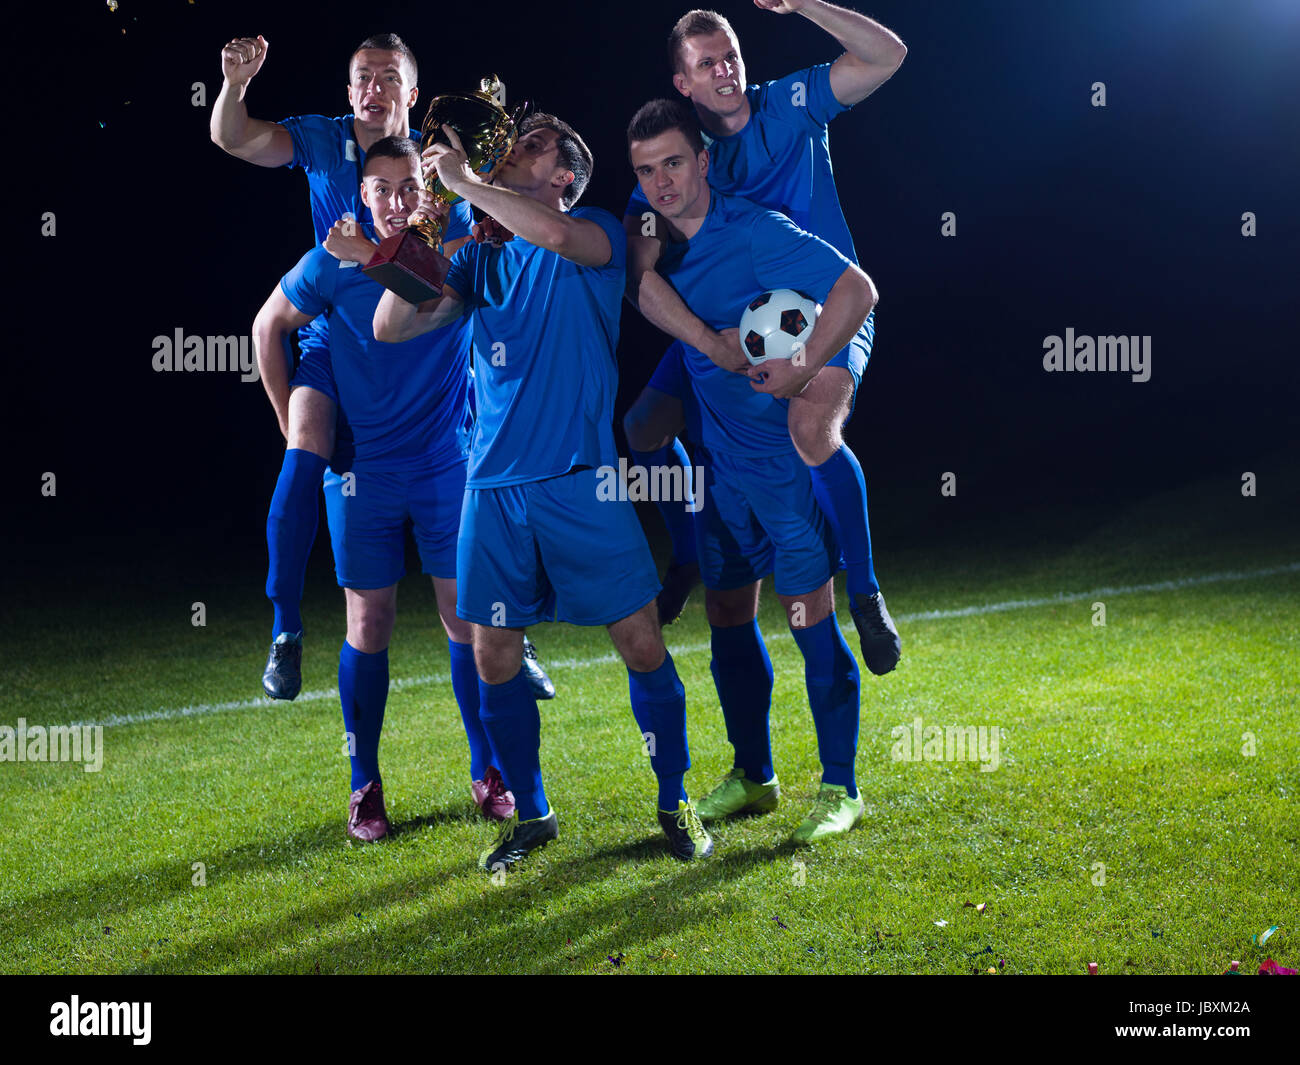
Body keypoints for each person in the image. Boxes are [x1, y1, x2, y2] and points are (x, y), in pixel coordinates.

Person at [374, 115, 712, 872]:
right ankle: (533, 814)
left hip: (578, 483)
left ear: (566, 175)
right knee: (492, 655)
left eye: (534, 142)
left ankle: (675, 797)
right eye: (515, 139)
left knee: (642, 642)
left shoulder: (588, 230)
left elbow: (558, 240)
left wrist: (464, 182)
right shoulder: (482, 259)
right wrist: (431, 219)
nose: (515, 146)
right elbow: (390, 322)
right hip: (491, 488)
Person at [211, 31, 556, 702]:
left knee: (483, 466)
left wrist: (490, 190)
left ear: (412, 93)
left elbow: (464, 259)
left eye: (388, 77)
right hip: (340, 337)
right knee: (304, 445)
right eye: (363, 77)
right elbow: (234, 138)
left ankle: (509, 633)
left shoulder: (440, 160)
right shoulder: (323, 139)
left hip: (427, 354)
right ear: (349, 92)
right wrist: (234, 85)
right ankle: (286, 631)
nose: (375, 88)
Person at [622, 6, 905, 679]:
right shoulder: (681, 154)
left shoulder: (788, 105)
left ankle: (865, 591)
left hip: (824, 312)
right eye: (706, 64)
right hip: (733, 324)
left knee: (811, 427)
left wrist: (805, 2)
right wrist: (704, 341)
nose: (725, 72)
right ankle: (687, 553)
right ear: (682, 82)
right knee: (643, 427)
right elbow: (639, 274)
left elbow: (888, 56)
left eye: (731, 57)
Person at [628, 98, 878, 841]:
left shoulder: (758, 233)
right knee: (728, 615)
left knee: (808, 620)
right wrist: (711, 344)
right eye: (646, 171)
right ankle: (755, 775)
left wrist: (801, 362)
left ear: (704, 161)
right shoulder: (652, 233)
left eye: (674, 163)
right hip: (724, 474)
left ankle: (841, 788)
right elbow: (639, 284)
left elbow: (858, 289)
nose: (662, 182)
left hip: (781, 477)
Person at [252, 136, 512, 840]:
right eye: (383, 189)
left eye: (409, 187)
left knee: (467, 620)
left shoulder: (453, 247)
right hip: (362, 469)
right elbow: (267, 324)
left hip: (442, 463)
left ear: (426, 193)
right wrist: (289, 422)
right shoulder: (329, 262)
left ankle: (488, 769)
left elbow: (422, 289)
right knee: (369, 625)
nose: (397, 202)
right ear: (360, 196)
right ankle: (364, 782)